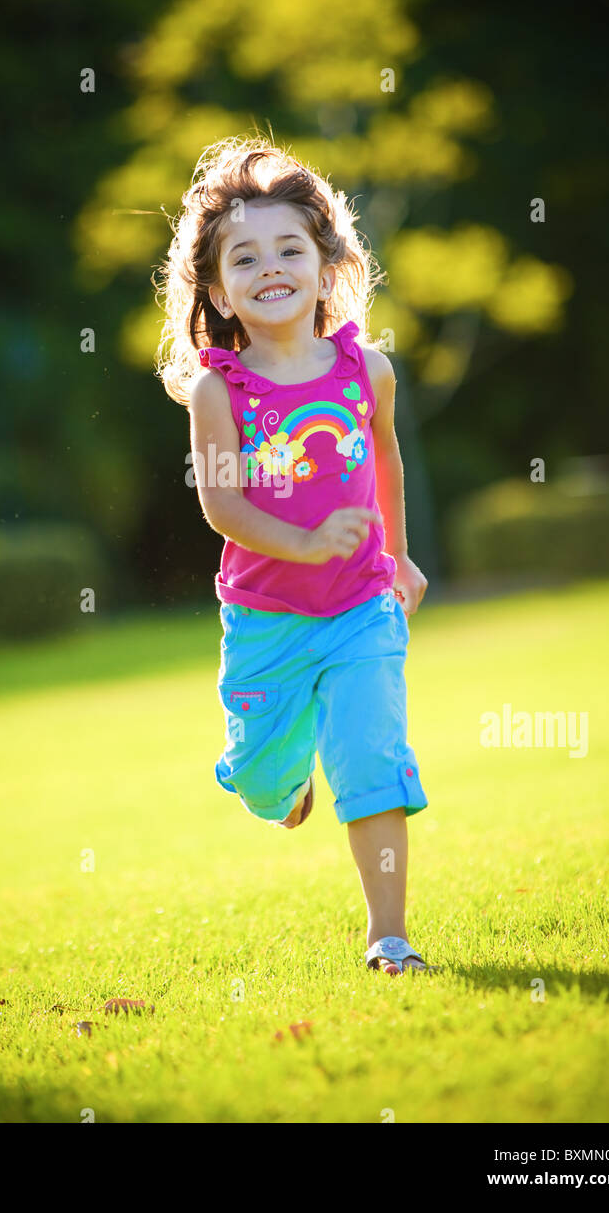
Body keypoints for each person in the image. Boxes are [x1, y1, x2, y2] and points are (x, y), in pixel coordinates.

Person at [155, 135, 436, 975]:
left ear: (326, 265)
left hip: (360, 609)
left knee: (374, 760)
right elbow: (221, 503)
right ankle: (279, 780)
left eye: (290, 248)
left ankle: (389, 938)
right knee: (263, 781)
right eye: (245, 257)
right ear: (217, 290)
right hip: (266, 622)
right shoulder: (218, 390)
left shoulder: (367, 371)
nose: (271, 266)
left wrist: (400, 557)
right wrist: (306, 542)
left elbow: (384, 461)